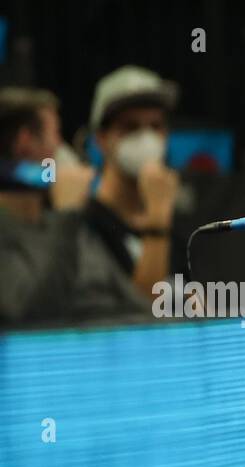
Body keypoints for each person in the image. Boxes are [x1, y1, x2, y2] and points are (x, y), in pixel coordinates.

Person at [0, 87, 147, 324]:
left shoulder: (68, 226)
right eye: (56, 134)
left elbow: (134, 303)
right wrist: (67, 214)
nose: (62, 147)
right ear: (24, 142)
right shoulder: (60, 223)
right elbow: (33, 315)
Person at [84, 66, 181, 298]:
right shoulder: (86, 227)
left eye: (155, 126)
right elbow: (140, 317)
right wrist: (157, 221)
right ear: (101, 139)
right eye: (131, 127)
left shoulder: (173, 225)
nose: (146, 138)